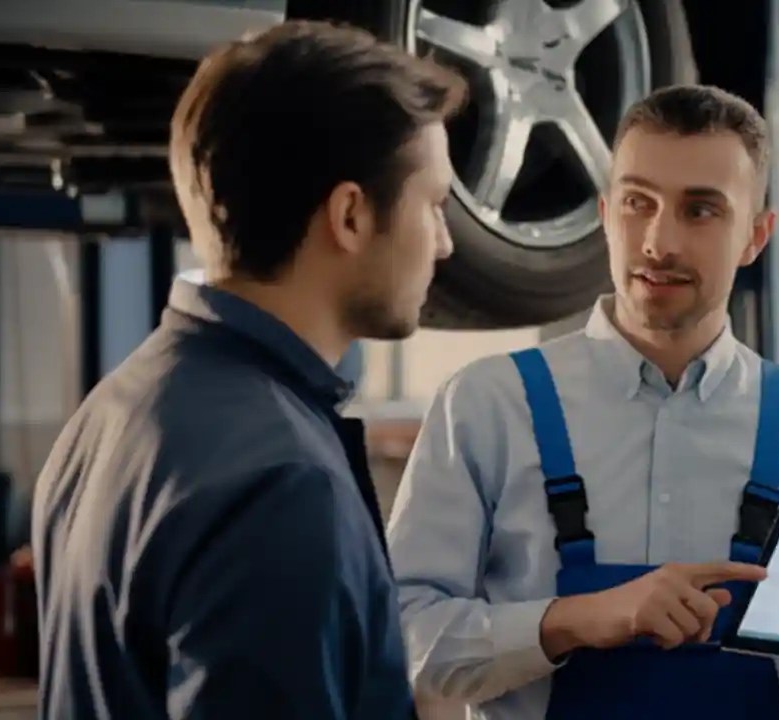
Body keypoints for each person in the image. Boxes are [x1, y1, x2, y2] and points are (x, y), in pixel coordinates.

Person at [386, 84, 779, 720]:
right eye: (638, 203)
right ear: (606, 214)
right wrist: (577, 619)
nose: (659, 243)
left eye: (701, 210)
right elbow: (402, 636)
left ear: (755, 236)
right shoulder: (486, 405)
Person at [31, 20, 465, 720]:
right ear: (350, 216)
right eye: (435, 205)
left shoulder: (113, 409)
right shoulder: (280, 483)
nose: (444, 244)